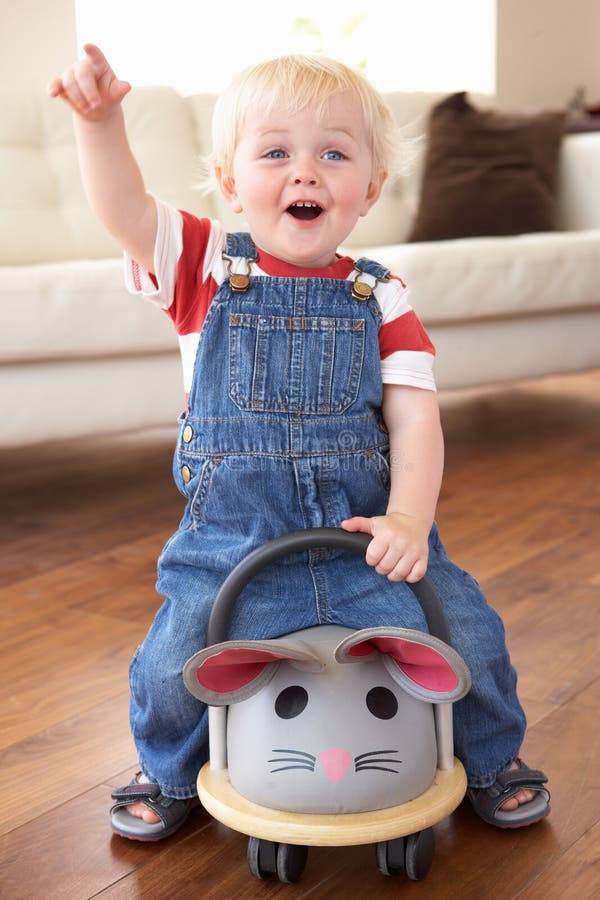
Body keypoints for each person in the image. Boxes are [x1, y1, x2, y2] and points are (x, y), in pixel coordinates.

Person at [48, 45, 550, 841]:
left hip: (364, 539)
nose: (305, 172)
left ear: (371, 189)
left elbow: (417, 417)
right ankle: (169, 774)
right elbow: (125, 210)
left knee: (468, 626)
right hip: (231, 541)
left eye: (333, 154)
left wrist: (410, 523)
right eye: (276, 152)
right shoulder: (206, 266)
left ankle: (492, 760)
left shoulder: (380, 293)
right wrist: (101, 123)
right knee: (171, 652)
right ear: (228, 180)